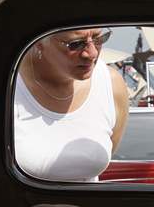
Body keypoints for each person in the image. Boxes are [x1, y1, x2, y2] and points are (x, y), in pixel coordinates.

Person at [13, 28, 129, 181]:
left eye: (99, 38)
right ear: (39, 41)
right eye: (75, 44)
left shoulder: (111, 84)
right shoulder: (9, 87)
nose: (92, 53)